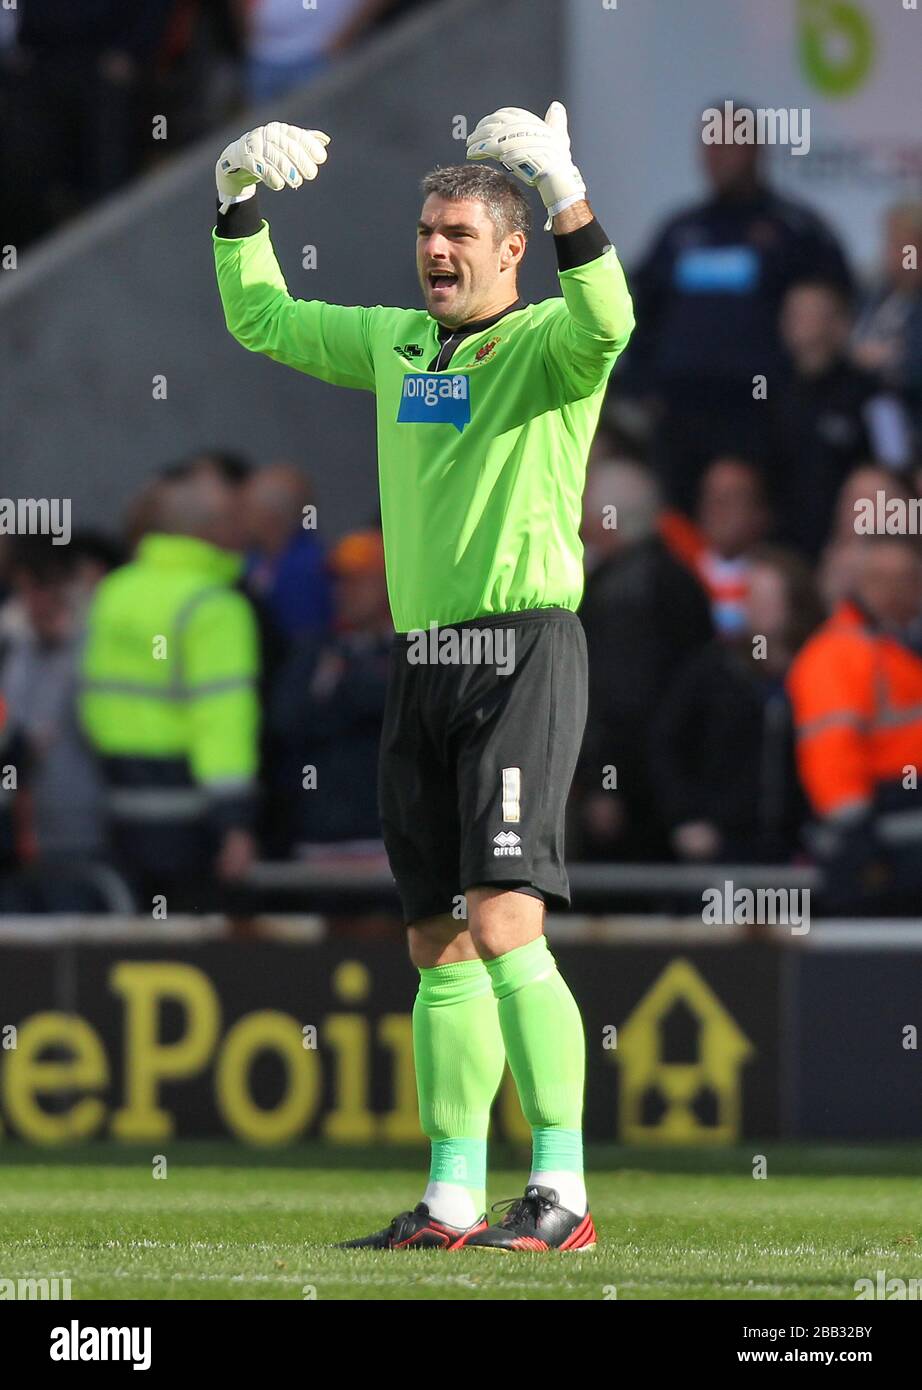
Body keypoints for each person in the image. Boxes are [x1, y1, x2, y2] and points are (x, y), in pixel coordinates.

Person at [213, 106, 634, 1250]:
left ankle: (563, 1190)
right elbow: (261, 317)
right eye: (424, 230)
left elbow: (611, 319)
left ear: (508, 249)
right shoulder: (397, 344)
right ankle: (452, 1198)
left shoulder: (547, 344)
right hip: (425, 660)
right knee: (437, 940)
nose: (435, 249)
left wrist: (562, 188)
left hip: (519, 651)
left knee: (503, 920)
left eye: (457, 231)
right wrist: (234, 196)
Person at [624, 100, 852, 511]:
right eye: (710, 144)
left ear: (756, 148)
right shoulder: (679, 230)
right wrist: (641, 387)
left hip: (763, 414)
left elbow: (833, 312)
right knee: (677, 524)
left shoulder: (796, 230)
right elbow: (637, 311)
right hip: (680, 414)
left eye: (729, 141)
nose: (718, 154)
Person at [79, 467, 261, 911]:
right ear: (209, 529)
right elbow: (222, 720)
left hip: (115, 808)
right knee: (199, 953)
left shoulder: (114, 591)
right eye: (232, 518)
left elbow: (89, 698)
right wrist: (235, 822)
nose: (244, 529)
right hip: (191, 821)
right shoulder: (215, 606)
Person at [576, 460, 713, 862]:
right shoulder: (682, 578)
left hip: (633, 794)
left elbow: (620, 697)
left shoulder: (623, 594)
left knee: (625, 901)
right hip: (680, 782)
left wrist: (606, 782)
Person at [651, 547, 819, 864]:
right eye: (752, 598)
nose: (758, 609)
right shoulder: (712, 669)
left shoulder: (818, 669)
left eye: (770, 598)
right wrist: (685, 817)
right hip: (723, 845)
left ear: (794, 602)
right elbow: (666, 744)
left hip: (798, 846)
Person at [787, 535, 922, 912]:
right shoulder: (837, 653)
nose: (898, 590)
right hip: (873, 853)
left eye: (909, 578)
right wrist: (859, 839)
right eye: (883, 578)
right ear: (863, 584)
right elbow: (831, 752)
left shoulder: (900, 649)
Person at [268, 528, 391, 852]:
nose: (343, 591)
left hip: (387, 836)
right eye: (339, 581)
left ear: (391, 584)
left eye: (358, 580)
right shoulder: (314, 650)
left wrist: (340, 693)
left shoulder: (417, 652)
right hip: (320, 832)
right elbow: (286, 720)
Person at [772, 280, 914, 557]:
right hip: (785, 544)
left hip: (853, 547)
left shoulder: (875, 393)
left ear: (841, 324)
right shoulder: (771, 392)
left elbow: (898, 464)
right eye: (794, 313)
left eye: (812, 313)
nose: (800, 323)